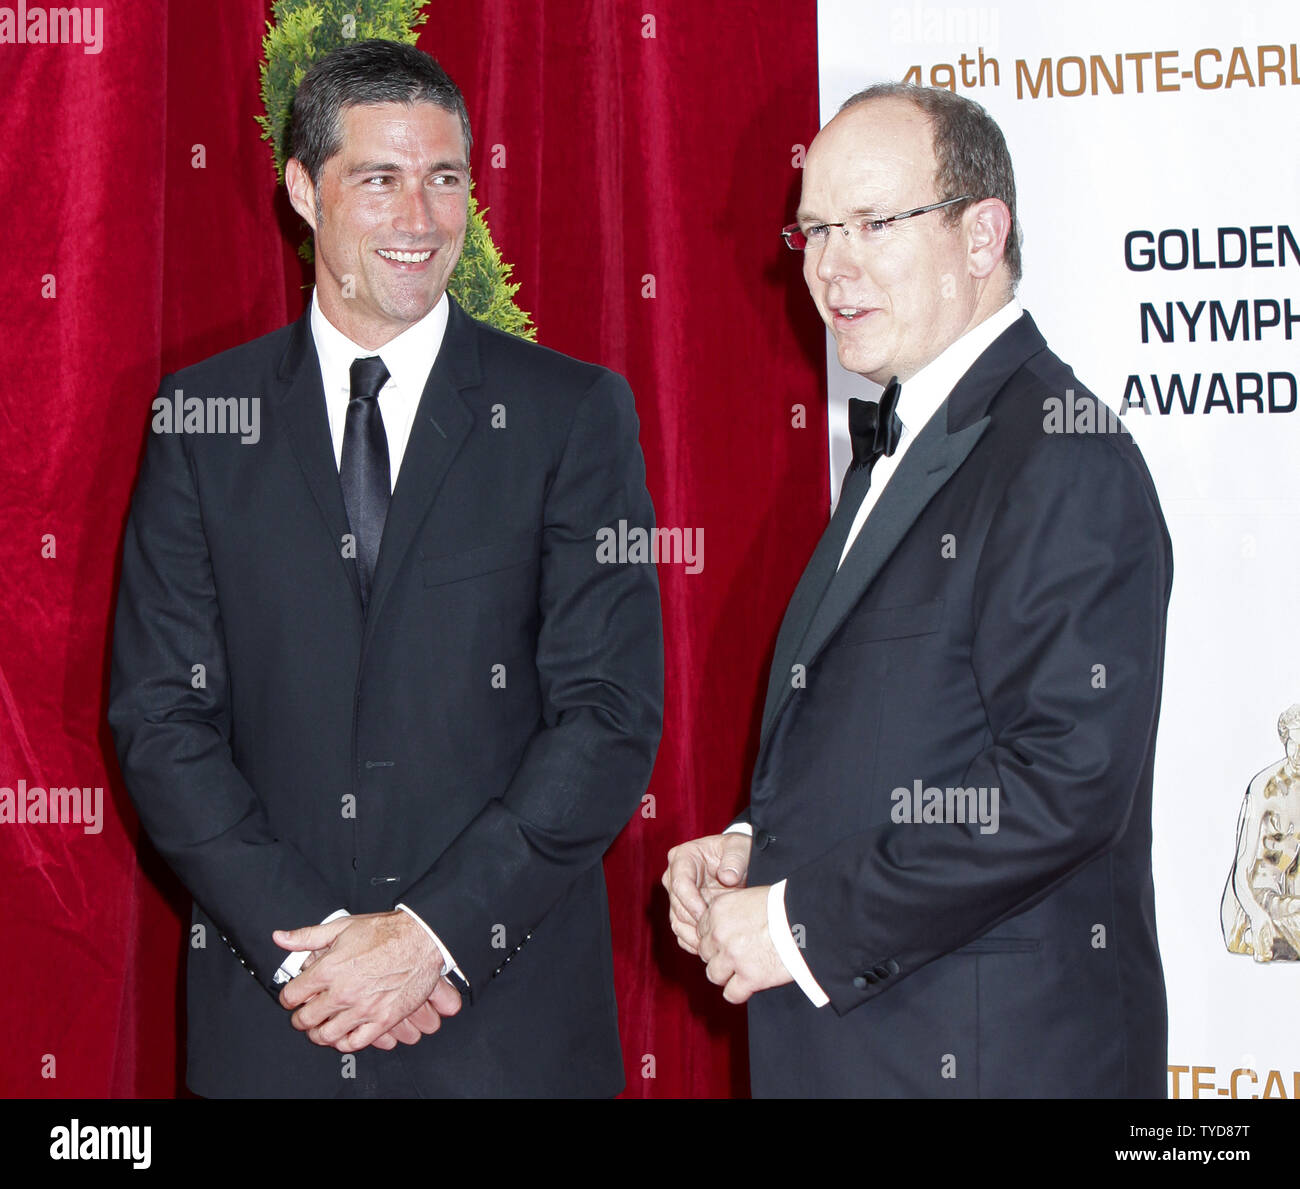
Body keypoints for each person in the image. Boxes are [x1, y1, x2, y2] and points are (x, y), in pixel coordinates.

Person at [109, 39, 663, 1098]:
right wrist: (318, 955)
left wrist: (430, 936)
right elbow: (158, 718)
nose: (420, 218)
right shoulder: (201, 420)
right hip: (278, 1023)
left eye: (444, 177)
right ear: (302, 191)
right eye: (379, 178)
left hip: (505, 1029)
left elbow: (610, 713)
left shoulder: (569, 414)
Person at [664, 83, 1172, 1097]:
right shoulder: (913, 438)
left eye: (871, 224)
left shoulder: (1062, 455)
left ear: (982, 236)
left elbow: (1064, 781)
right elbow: (905, 735)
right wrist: (753, 851)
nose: (830, 265)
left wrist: (795, 921)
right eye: (813, 229)